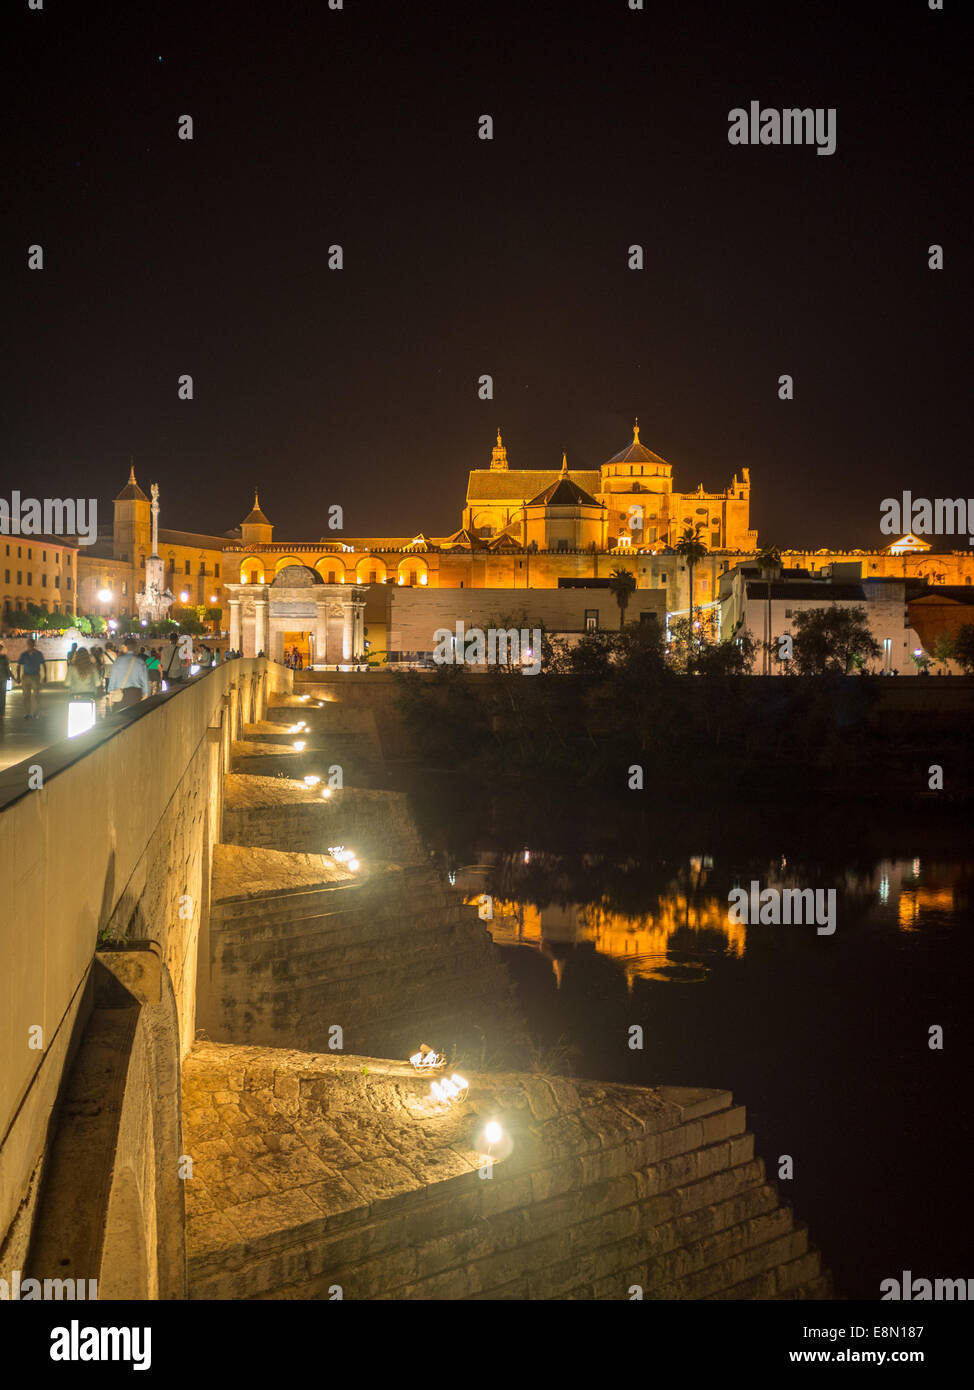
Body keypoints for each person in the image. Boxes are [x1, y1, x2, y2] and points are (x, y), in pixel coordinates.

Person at [106, 639, 150, 708]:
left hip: (120, 695)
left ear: (125, 647)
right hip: (136, 694)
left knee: (121, 717)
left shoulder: (118, 660)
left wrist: (111, 694)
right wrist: (145, 694)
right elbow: (145, 682)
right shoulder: (140, 662)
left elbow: (113, 679)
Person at [16, 637, 47, 719]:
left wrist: (45, 676)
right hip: (26, 676)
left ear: (34, 644)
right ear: (27, 645)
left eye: (31, 644)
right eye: (29, 644)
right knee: (26, 696)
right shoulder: (24, 654)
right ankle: (27, 713)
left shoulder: (39, 654)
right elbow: (18, 666)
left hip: (35, 676)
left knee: (37, 695)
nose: (30, 645)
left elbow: (44, 664)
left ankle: (36, 712)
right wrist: (18, 676)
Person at [0, 641, 11, 720]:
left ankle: (2, 712)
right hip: (3, 679)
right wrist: (13, 677)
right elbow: (8, 669)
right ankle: (2, 712)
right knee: (2, 696)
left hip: (3, 679)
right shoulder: (5, 658)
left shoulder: (5, 658)